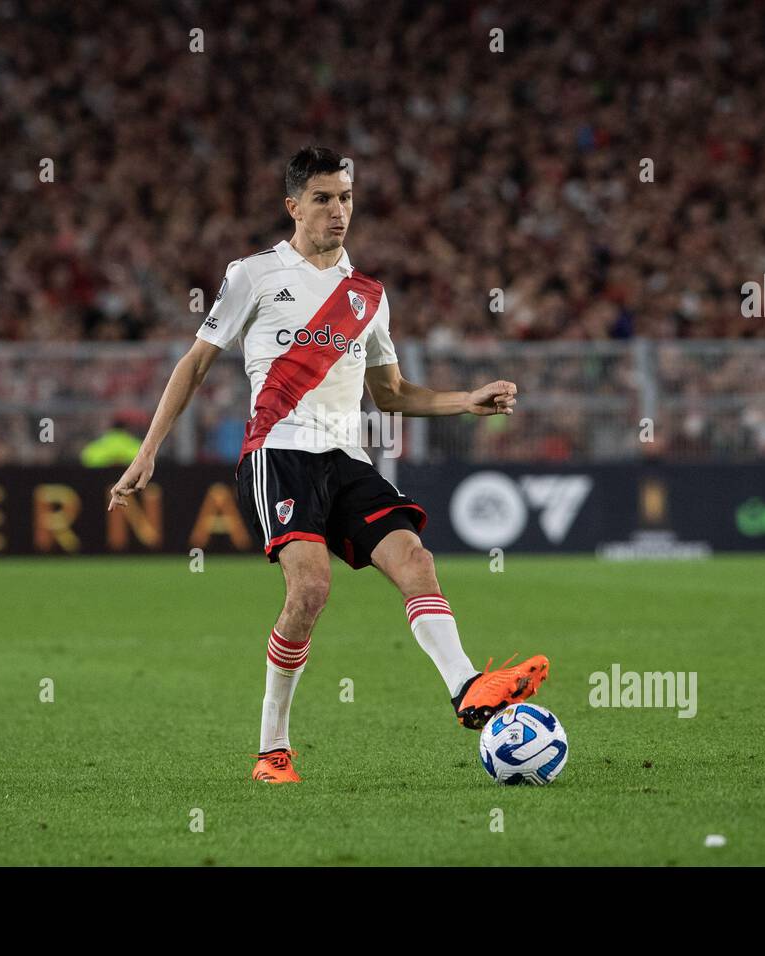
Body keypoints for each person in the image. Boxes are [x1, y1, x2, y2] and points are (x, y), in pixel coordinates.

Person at [109, 147, 548, 783]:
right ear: (294, 206)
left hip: (346, 456)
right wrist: (147, 451)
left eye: (345, 197)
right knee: (311, 588)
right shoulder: (253, 274)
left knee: (414, 558)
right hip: (277, 452)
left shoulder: (367, 296)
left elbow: (392, 395)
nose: (338, 210)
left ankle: (466, 689)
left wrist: (464, 400)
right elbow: (195, 363)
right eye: (322, 198)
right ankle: (272, 749)